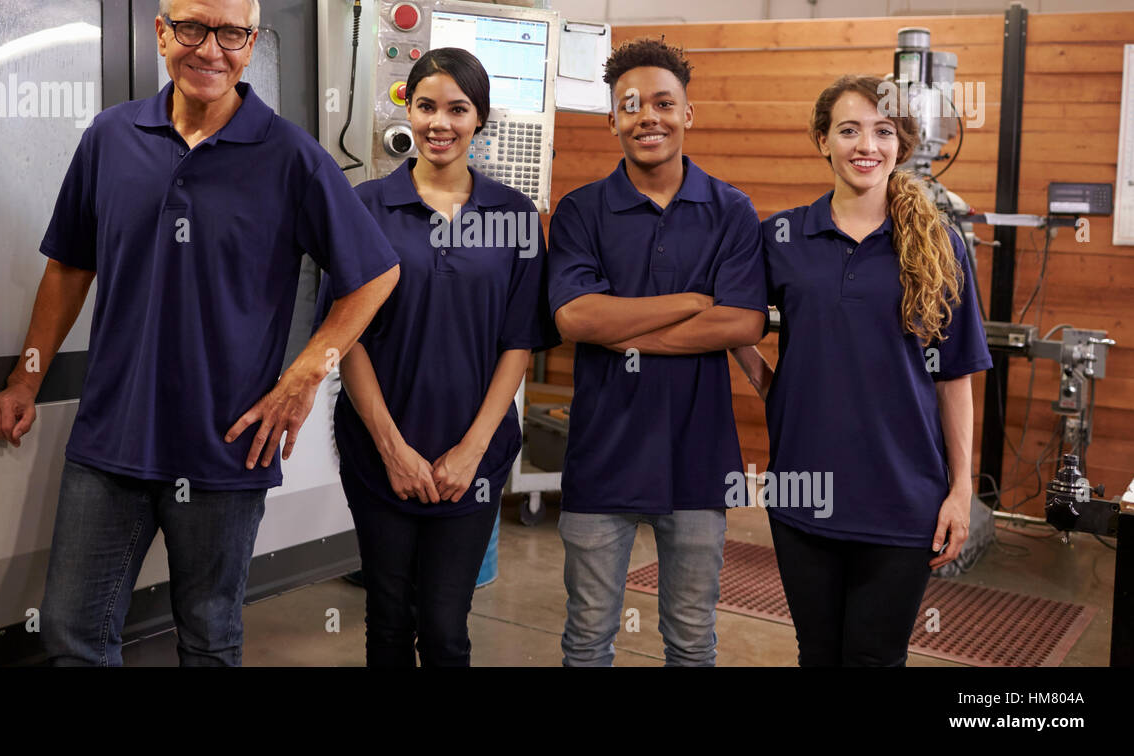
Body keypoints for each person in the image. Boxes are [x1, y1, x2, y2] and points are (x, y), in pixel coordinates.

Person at [0, 0, 400, 666]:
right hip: (111, 439)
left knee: (208, 639)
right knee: (73, 635)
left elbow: (376, 273)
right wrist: (25, 381)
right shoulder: (111, 138)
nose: (212, 49)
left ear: (251, 45)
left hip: (226, 446)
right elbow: (70, 265)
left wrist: (306, 375)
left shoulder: (289, 155)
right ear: (163, 34)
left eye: (232, 34)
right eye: (194, 28)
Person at [733, 74, 993, 667]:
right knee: (817, 654)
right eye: (848, 130)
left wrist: (960, 489)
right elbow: (734, 322)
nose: (865, 145)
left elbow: (955, 377)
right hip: (804, 493)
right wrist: (770, 382)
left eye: (882, 131)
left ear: (900, 144)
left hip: (904, 500)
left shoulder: (940, 244)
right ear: (822, 140)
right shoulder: (780, 236)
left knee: (875, 657)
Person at [316, 47, 559, 666]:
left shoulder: (513, 216)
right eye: (426, 106)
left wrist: (473, 449)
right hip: (379, 448)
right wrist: (392, 448)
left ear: (479, 119)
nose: (439, 123)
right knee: (389, 618)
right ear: (408, 110)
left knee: (447, 627)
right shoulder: (365, 207)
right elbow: (349, 337)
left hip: (473, 453)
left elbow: (518, 341)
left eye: (458, 108)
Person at [546, 37, 767, 666]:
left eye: (664, 103)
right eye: (631, 105)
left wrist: (622, 328)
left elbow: (745, 323)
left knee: (692, 641)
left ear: (687, 114)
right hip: (602, 454)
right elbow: (575, 317)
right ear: (613, 118)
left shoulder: (731, 211)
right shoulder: (580, 211)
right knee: (587, 639)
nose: (649, 117)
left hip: (698, 458)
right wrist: (697, 301)